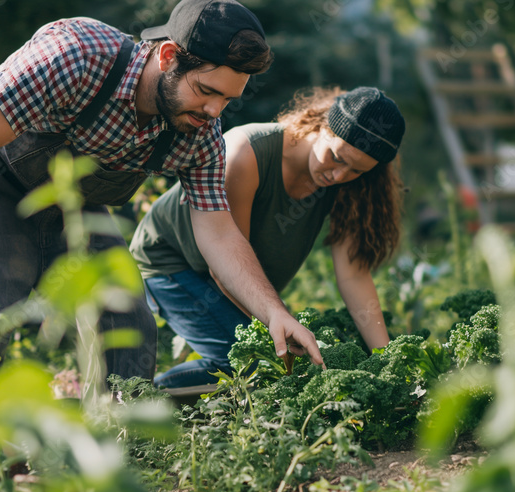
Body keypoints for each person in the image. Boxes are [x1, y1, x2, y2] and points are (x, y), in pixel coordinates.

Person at [0, 0, 323, 451]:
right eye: (206, 90)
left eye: (227, 98)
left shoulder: (199, 133)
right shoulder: (77, 58)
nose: (213, 110)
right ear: (167, 57)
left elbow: (219, 232)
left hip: (76, 211)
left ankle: (111, 458)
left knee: (131, 326)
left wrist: (275, 313)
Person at [130, 86, 406, 388]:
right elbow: (224, 261)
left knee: (272, 364)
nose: (338, 176)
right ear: (322, 125)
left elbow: (354, 276)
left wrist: (386, 358)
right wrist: (279, 323)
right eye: (336, 157)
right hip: (170, 263)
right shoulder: (246, 154)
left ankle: (164, 401)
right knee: (254, 362)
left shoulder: (351, 185)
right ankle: (137, 399)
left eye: (356, 170)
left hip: (238, 282)